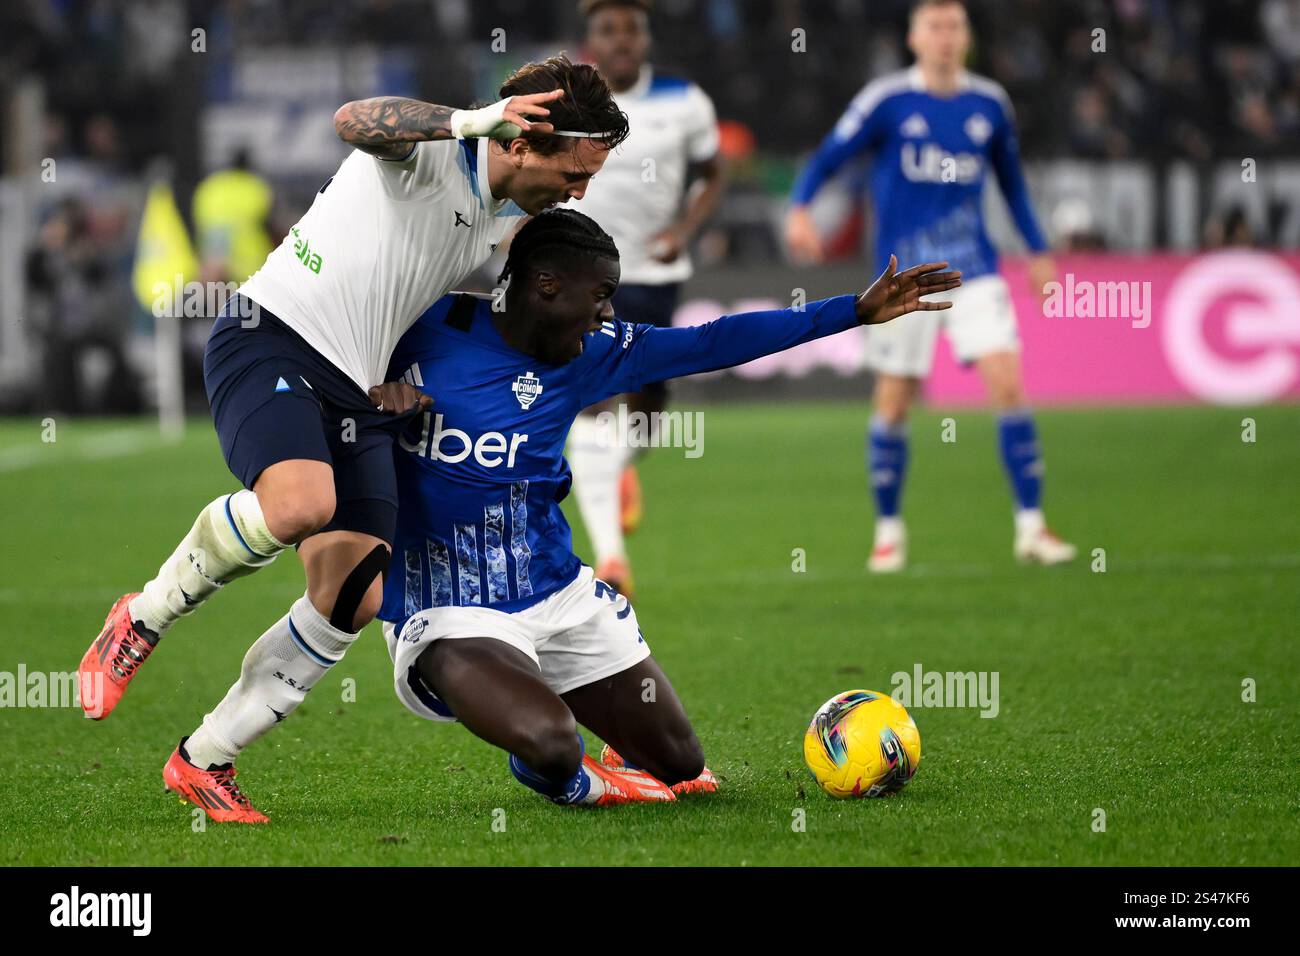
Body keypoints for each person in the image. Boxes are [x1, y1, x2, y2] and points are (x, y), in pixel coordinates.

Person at [78, 56, 629, 823]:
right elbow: (354, 118)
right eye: (577, 171)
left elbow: (414, 303)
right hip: (271, 337)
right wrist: (465, 121)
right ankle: (143, 617)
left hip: (356, 389)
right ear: (520, 140)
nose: (580, 190)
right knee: (302, 503)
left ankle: (204, 758)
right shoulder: (433, 154)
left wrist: (407, 377)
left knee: (354, 593)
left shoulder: (503, 226)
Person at [378, 209, 960, 807]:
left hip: (553, 592)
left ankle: (582, 740)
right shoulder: (424, 328)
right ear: (546, 285)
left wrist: (851, 312)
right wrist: (363, 409)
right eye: (601, 294)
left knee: (681, 767)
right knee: (554, 745)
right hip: (447, 607)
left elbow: (712, 341)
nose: (608, 312)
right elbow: (321, 363)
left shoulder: (596, 350)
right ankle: (556, 769)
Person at [785, 0, 1076, 572]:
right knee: (894, 404)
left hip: (976, 271)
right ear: (914, 37)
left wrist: (1038, 251)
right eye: (935, 26)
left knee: (1009, 386)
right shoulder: (886, 100)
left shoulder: (990, 103)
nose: (946, 36)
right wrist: (799, 207)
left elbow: (1011, 185)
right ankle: (889, 533)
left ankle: (1032, 528)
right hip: (903, 281)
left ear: (966, 37)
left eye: (955, 26)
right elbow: (829, 157)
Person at [565, 0, 726, 597]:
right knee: (594, 403)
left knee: (648, 417)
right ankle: (612, 559)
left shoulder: (686, 100)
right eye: (610, 29)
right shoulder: (568, 100)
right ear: (593, 39)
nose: (622, 39)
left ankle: (616, 470)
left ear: (646, 38)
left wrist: (683, 232)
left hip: (656, 275)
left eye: (632, 29)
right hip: (582, 272)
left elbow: (714, 173)